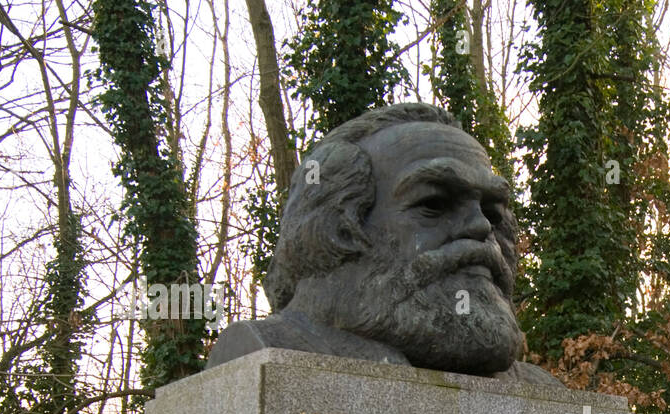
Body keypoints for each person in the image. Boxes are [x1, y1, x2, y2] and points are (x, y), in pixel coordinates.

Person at [208, 103, 556, 385]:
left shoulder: (539, 390)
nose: (481, 226)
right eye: (433, 204)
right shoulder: (261, 354)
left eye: (493, 212)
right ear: (340, 228)